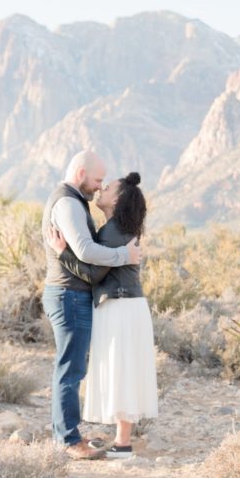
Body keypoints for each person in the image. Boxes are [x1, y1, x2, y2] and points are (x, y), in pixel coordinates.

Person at [48, 172, 157, 459]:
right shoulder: (117, 228)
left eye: (107, 188)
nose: (101, 190)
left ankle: (123, 444)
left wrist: (63, 254)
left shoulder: (112, 232)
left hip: (119, 307)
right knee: (126, 369)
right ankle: (123, 442)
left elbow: (94, 274)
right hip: (126, 306)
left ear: (117, 199)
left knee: (121, 370)